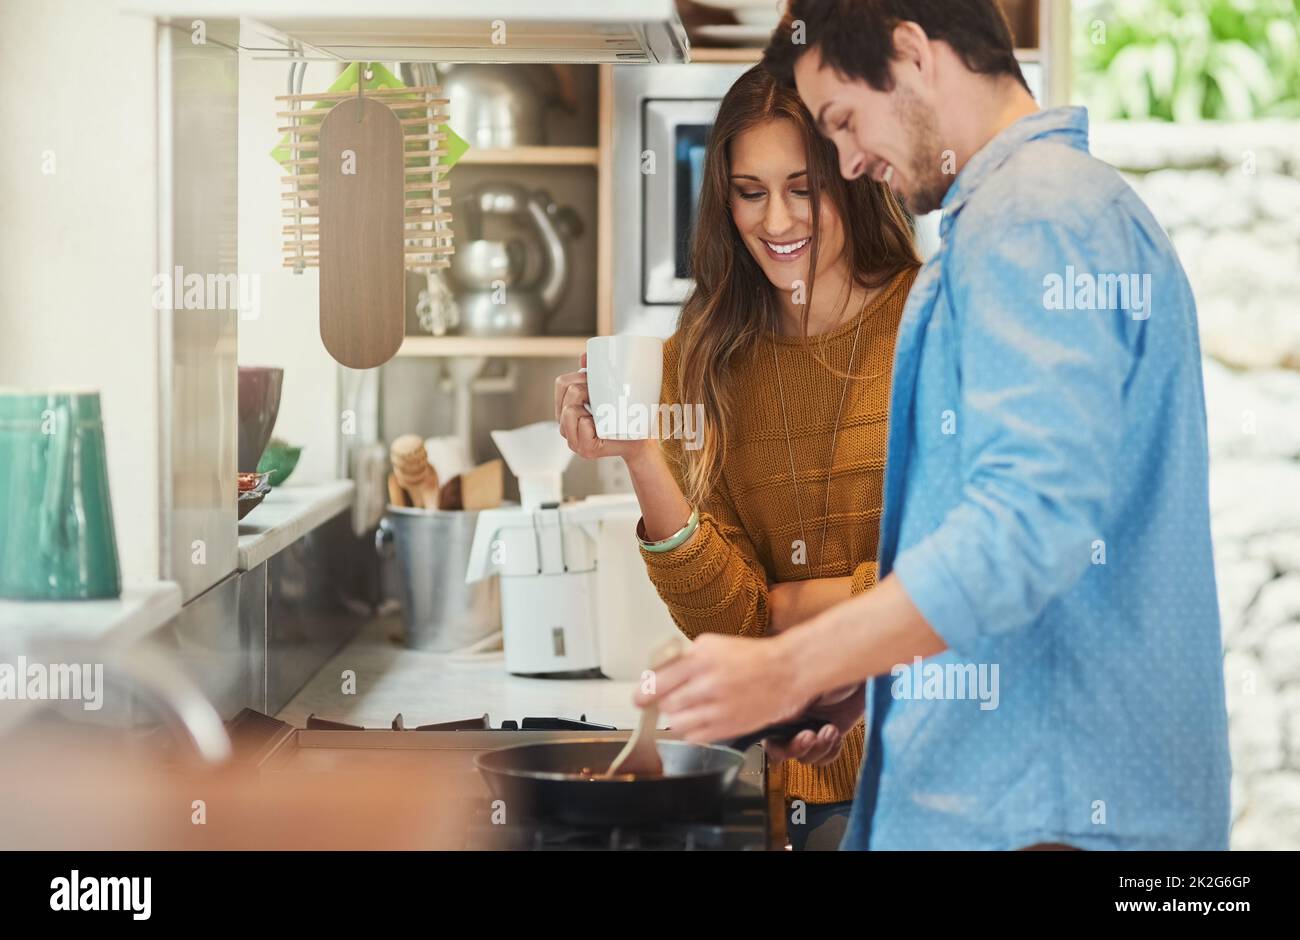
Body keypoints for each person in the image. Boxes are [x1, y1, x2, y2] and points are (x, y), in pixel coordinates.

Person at [638, 0, 1232, 851]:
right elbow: (1017, 569)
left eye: (842, 121)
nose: (847, 159)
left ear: (912, 55)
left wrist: (789, 663)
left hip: (1042, 818)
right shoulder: (1045, 211)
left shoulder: (1033, 219)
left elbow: (1025, 527)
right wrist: (865, 678)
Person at [554, 64, 919, 850]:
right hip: (801, 785)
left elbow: (949, 572)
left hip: (937, 759)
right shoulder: (701, 359)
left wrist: (797, 618)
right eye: (750, 191)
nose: (777, 218)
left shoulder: (925, 320)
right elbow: (736, 621)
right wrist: (641, 458)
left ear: (850, 181)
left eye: (802, 186)